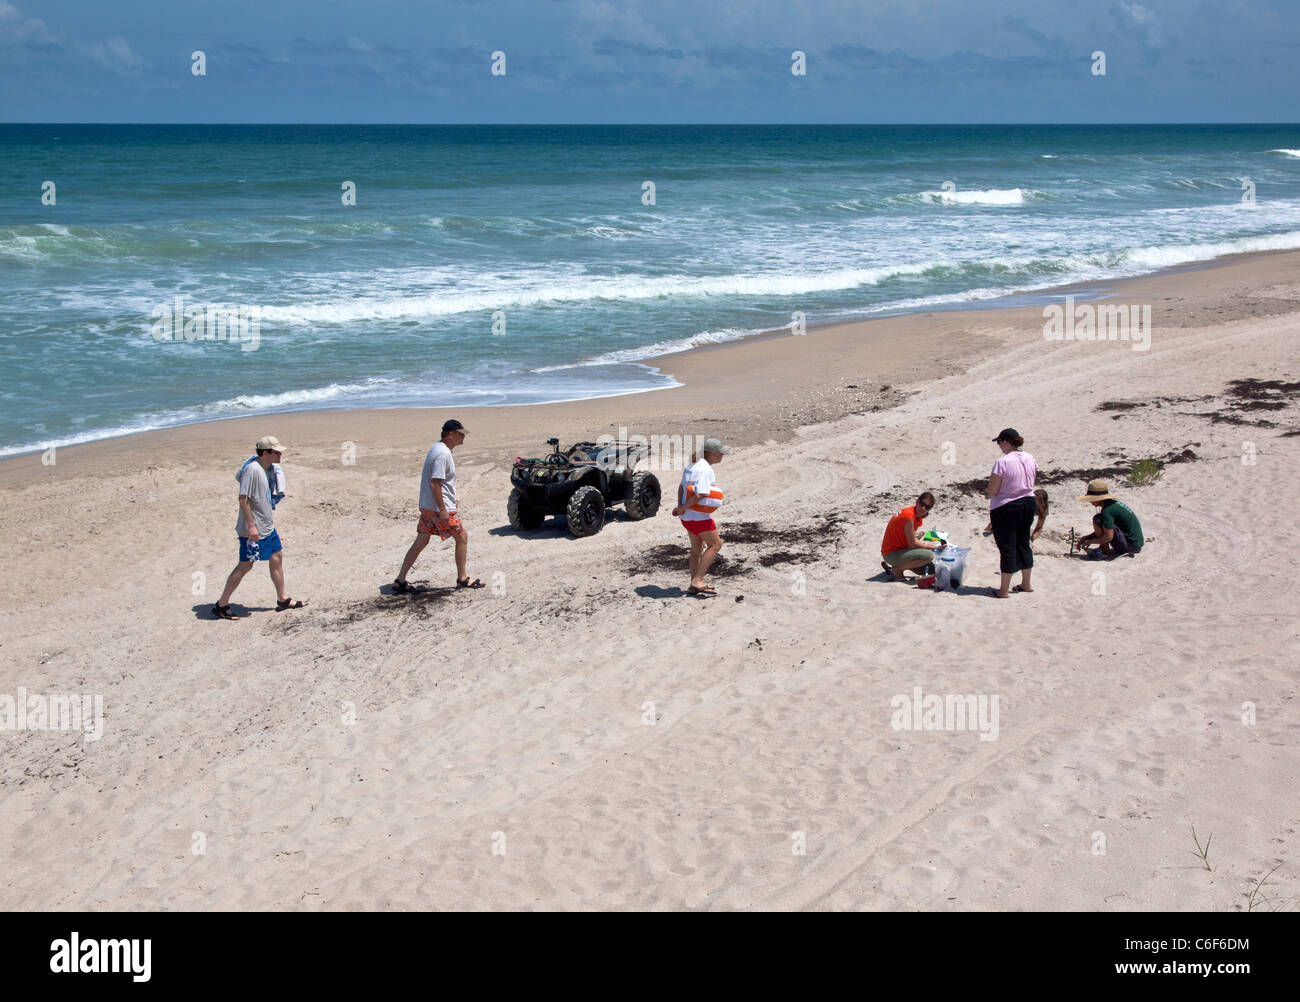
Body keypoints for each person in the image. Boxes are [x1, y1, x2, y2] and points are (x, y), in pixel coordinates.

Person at [213, 435, 307, 619]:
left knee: (277, 556)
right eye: (276, 451)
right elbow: (243, 500)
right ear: (266, 453)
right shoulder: (253, 470)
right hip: (253, 530)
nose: (280, 454)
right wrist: (251, 527)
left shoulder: (268, 469)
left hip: (267, 527)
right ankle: (221, 605)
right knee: (246, 565)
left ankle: (282, 599)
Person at [393, 418, 484, 592]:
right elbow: (435, 483)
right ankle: (462, 578)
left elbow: (438, 483)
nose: (463, 437)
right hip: (438, 509)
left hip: (428, 507)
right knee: (462, 537)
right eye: (460, 434)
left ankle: (400, 580)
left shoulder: (437, 448)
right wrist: (443, 508)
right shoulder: (443, 454)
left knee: (422, 540)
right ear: (450, 434)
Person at [671, 437, 728, 596]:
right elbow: (700, 494)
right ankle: (698, 580)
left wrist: (681, 508)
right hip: (699, 517)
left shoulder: (691, 466)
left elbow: (681, 488)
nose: (722, 456)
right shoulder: (704, 469)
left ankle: (692, 584)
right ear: (713, 454)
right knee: (716, 545)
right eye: (720, 453)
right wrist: (682, 507)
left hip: (687, 518)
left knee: (697, 550)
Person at [986, 428, 1039, 598]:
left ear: (1006, 442)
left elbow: (993, 491)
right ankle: (1026, 583)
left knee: (1007, 546)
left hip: (1007, 507)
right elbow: (1032, 481)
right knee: (1023, 542)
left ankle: (1003, 590)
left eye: (1000, 442)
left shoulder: (1002, 462)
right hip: (1028, 502)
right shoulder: (1030, 457)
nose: (999, 445)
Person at [880, 492, 944, 580]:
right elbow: (912, 543)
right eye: (922, 504)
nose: (923, 508)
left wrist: (925, 546)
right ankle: (897, 569)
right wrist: (933, 547)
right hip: (891, 554)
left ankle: (900, 566)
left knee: (930, 569)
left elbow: (912, 539)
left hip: (898, 550)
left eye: (927, 507)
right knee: (929, 556)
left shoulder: (915, 515)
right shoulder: (909, 516)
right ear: (917, 501)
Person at [1076, 480, 1144, 557]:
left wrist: (1089, 542)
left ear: (1099, 498)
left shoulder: (1107, 511)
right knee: (1100, 520)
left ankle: (1105, 551)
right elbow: (1107, 528)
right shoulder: (1112, 504)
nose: (1090, 501)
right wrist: (1086, 538)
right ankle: (1103, 548)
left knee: (1097, 519)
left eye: (1091, 499)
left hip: (1130, 547)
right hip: (1135, 545)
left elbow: (1108, 537)